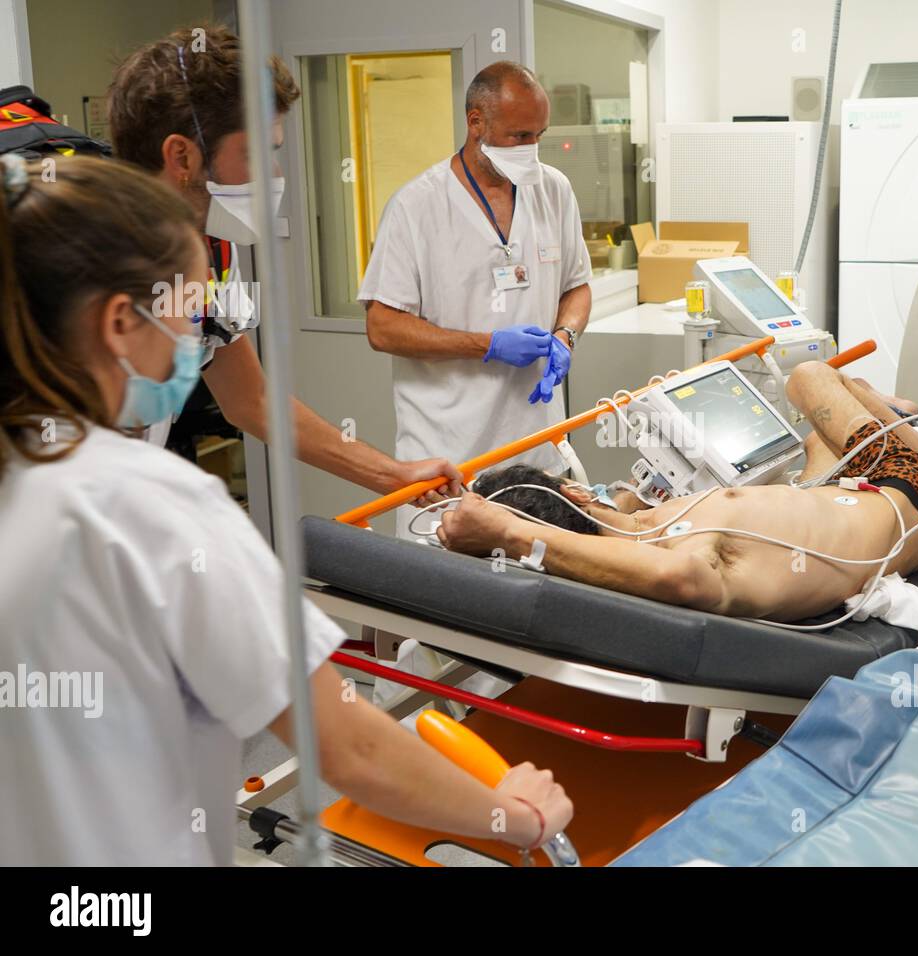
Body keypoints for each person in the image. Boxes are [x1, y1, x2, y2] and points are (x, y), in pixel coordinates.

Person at [0, 154, 570, 865]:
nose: (195, 342)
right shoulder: (150, 506)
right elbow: (351, 748)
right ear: (121, 322)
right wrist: (515, 816)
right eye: (184, 314)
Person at [107, 25, 460, 504]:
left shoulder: (212, 253)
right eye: (258, 152)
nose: (275, 175)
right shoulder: (80, 267)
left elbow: (251, 400)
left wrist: (392, 474)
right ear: (181, 155)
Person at [437, 360, 918, 622]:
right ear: (573, 497)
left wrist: (623, 499)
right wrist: (509, 532)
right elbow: (682, 580)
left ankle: (887, 412)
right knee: (812, 378)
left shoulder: (634, 523)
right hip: (909, 494)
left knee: (813, 441)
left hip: (836, 491)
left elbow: (620, 517)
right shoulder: (673, 560)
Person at [361, 60, 592, 541]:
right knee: (445, 600)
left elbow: (577, 284)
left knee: (536, 592)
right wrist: (486, 344)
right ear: (476, 122)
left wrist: (566, 335)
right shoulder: (416, 207)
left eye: (539, 136)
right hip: (448, 462)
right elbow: (382, 327)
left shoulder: (553, 190)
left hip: (537, 455)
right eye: (518, 135)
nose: (531, 149)